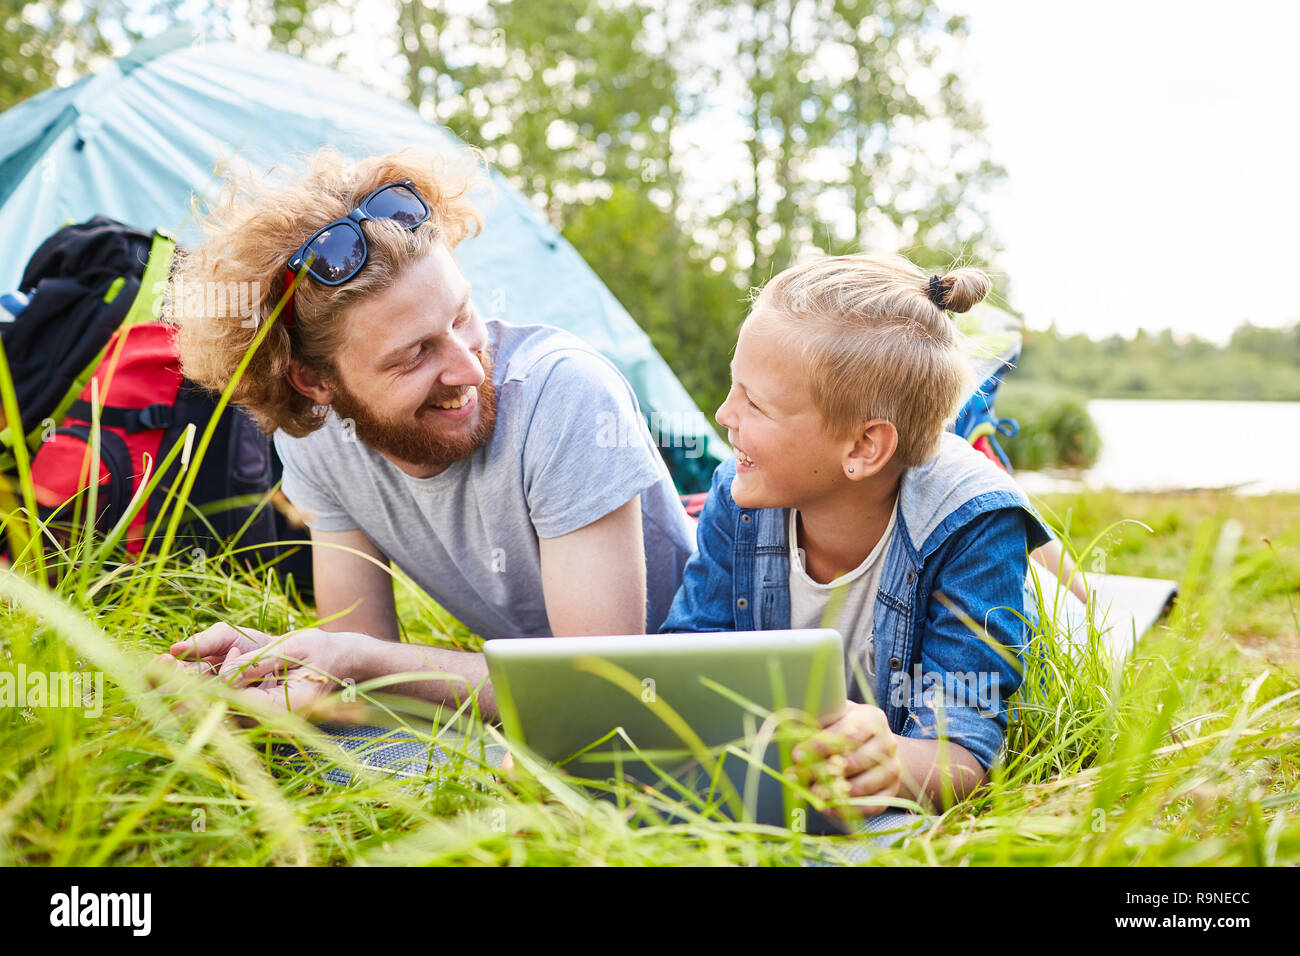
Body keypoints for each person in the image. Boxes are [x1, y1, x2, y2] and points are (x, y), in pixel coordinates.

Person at [162, 147, 696, 720]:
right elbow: (363, 662)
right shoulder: (316, 440)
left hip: (690, 701)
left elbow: (600, 694)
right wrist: (275, 666)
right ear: (315, 382)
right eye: (415, 355)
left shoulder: (564, 395)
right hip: (562, 708)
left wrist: (359, 662)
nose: (469, 369)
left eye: (462, 316)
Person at [658, 254, 1054, 820]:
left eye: (755, 403)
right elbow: (686, 658)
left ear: (863, 447)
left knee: (1073, 599)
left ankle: (1072, 579)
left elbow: (965, 757)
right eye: (732, 389)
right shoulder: (740, 493)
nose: (724, 413)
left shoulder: (973, 525)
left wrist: (891, 756)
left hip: (987, 553)